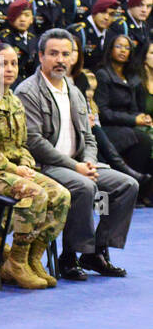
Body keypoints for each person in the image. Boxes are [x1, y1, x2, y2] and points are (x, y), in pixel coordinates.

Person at [18, 29, 134, 279]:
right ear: (41, 56)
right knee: (84, 187)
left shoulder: (74, 91)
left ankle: (95, 252)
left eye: (65, 54)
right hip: (45, 166)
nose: (60, 59)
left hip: (80, 164)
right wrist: (75, 166)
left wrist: (89, 162)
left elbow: (90, 137)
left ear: (72, 57)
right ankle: (69, 256)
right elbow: (34, 142)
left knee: (126, 185)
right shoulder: (28, 91)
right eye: (53, 54)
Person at [0, 41, 70, 289]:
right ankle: (16, 262)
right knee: (35, 193)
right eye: (3, 64)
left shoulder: (13, 100)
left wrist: (26, 164)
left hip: (11, 171)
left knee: (61, 195)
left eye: (13, 63)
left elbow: (22, 145)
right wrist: (14, 169)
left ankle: (32, 258)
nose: (10, 69)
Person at [93, 31, 153, 188]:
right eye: (118, 46)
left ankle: (144, 191)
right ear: (110, 49)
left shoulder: (131, 77)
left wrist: (141, 117)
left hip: (126, 126)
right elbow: (103, 112)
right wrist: (134, 120)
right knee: (143, 139)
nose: (122, 50)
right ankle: (134, 186)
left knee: (147, 136)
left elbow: (133, 108)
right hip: (108, 127)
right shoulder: (103, 74)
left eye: (126, 47)